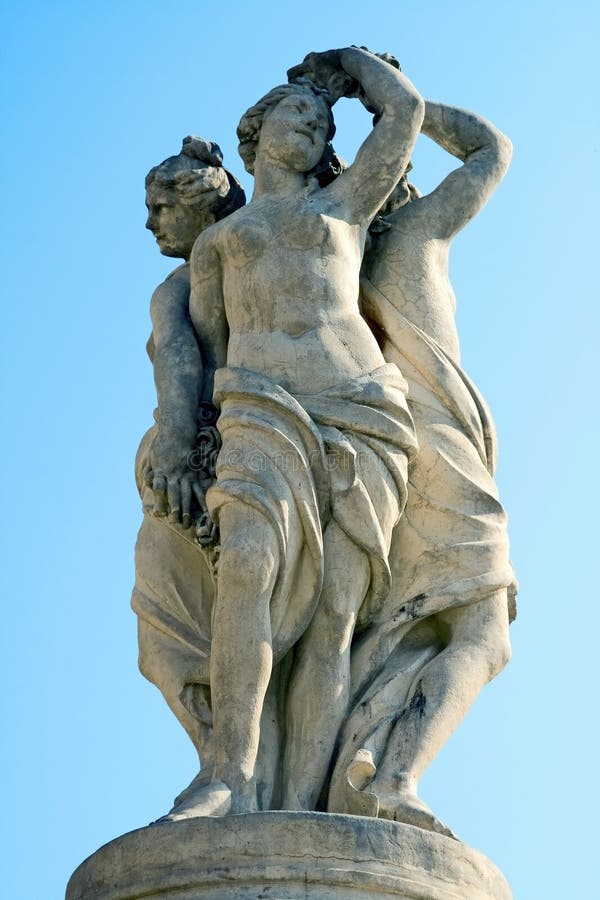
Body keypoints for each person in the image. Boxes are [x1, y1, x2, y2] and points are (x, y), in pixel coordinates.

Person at [148, 47, 424, 817]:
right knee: (245, 565)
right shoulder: (219, 244)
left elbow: (404, 115)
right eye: (295, 113)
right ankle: (226, 776)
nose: (310, 124)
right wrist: (177, 439)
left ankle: (310, 801)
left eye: (319, 120)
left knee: (337, 614)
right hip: (259, 409)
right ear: (256, 130)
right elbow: (199, 358)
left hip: (360, 405)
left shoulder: (344, 207)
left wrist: (350, 64)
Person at [327, 93, 517, 837]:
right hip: (436, 448)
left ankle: (366, 766)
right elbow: (490, 152)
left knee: (396, 631)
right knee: (481, 632)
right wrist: (401, 104)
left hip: (376, 450)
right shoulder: (413, 233)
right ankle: (398, 780)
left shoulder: (335, 248)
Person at [132, 137, 245, 789]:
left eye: (158, 206)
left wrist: (176, 444)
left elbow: (180, 360)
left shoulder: (184, 285)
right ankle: (227, 767)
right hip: (220, 454)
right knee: (168, 638)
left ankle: (228, 767)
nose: (150, 223)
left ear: (199, 204)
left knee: (168, 632)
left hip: (206, 461)